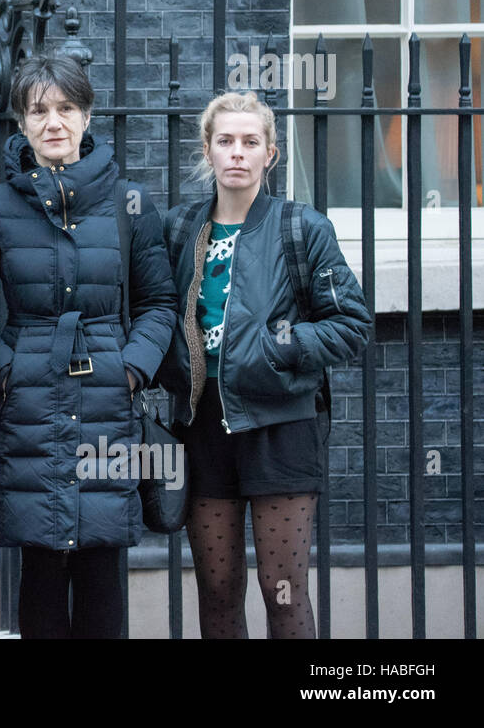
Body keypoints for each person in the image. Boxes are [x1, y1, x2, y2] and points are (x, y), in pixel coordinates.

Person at [0, 55, 177, 638]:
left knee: (102, 561)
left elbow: (160, 304)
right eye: (38, 110)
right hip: (28, 405)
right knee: (38, 564)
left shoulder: (130, 203)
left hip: (107, 397)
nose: (53, 121)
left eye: (65, 108)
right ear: (21, 122)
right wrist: (6, 372)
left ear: (86, 116)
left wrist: (130, 370)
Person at [156, 91, 372, 638]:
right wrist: (174, 367)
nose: (237, 153)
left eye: (250, 142)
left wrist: (275, 349)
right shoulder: (179, 229)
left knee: (283, 590)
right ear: (208, 149)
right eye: (225, 141)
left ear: (269, 154)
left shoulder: (302, 228)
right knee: (219, 590)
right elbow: (153, 316)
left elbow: (352, 324)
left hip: (281, 428)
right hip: (201, 429)